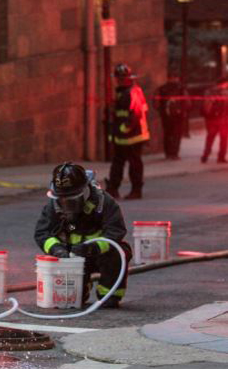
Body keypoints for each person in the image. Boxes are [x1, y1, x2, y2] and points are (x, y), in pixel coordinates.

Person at [34, 163, 133, 308]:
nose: (66, 204)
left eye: (72, 199)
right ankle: (81, 290)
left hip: (98, 254)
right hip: (70, 258)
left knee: (120, 251)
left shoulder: (103, 203)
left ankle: (109, 295)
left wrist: (93, 248)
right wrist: (56, 249)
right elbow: (42, 233)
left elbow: (116, 231)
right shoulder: (54, 206)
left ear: (85, 190)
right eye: (62, 199)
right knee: (71, 300)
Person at [104, 63, 150, 200]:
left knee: (134, 163)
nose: (119, 80)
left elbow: (135, 114)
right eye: (118, 78)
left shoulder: (133, 92)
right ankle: (113, 188)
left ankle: (136, 190)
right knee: (118, 162)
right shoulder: (121, 92)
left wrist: (124, 129)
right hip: (122, 136)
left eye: (122, 78)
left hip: (133, 136)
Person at [153, 75, 189, 160]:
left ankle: (168, 153)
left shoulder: (161, 89)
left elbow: (156, 103)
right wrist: (184, 111)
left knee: (168, 134)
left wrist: (161, 111)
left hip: (166, 116)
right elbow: (187, 101)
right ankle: (174, 153)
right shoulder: (181, 88)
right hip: (178, 115)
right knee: (177, 135)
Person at [200, 77, 228, 163]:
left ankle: (205, 155)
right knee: (223, 138)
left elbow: (205, 105)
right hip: (222, 119)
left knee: (210, 137)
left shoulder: (209, 91)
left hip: (211, 119)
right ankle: (221, 157)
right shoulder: (225, 92)